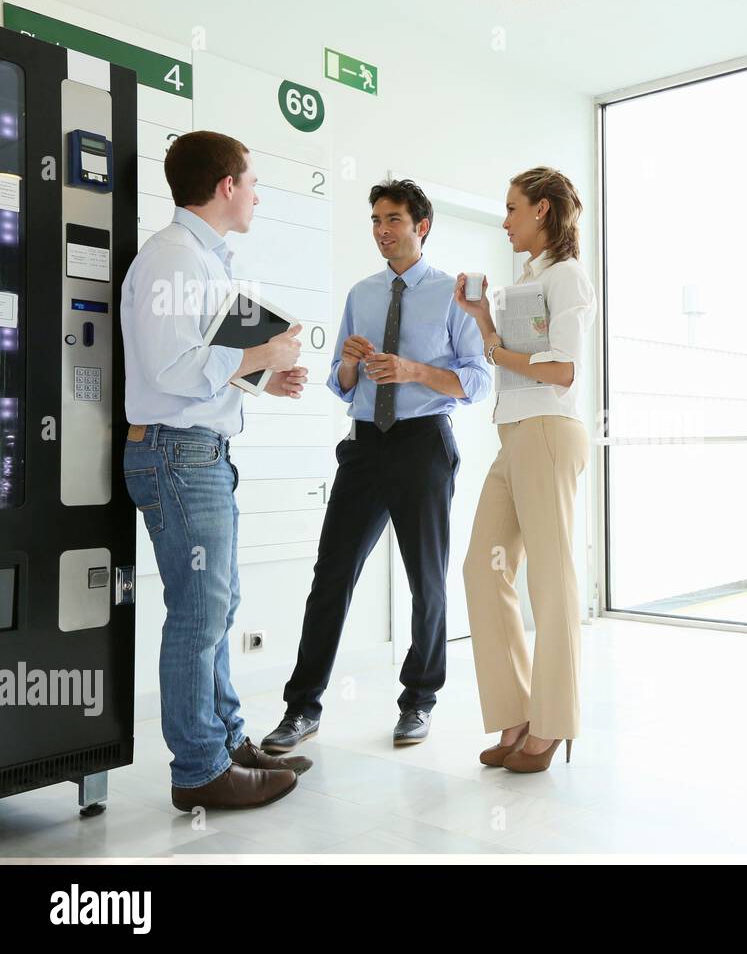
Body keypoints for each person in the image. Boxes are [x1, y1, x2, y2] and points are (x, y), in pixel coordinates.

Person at [262, 179, 491, 751]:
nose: (382, 231)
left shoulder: (452, 295)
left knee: (426, 581)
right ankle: (301, 709)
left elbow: (478, 380)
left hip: (423, 444)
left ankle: (419, 701)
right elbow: (341, 384)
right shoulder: (362, 293)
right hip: (364, 446)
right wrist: (347, 364)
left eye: (393, 220)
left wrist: (413, 371)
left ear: (421, 226)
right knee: (331, 577)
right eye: (375, 220)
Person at [121, 130, 312, 811]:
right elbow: (169, 370)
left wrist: (261, 374)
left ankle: (227, 744)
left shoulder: (200, 259)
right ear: (227, 186)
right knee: (198, 614)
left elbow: (199, 362)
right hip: (177, 453)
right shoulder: (174, 259)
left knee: (216, 607)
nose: (257, 194)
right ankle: (200, 770)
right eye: (252, 182)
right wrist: (258, 356)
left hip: (195, 452)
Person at [457, 167, 594, 773]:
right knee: (483, 568)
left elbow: (561, 370)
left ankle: (553, 722)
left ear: (542, 210)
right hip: (513, 434)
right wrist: (482, 318)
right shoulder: (528, 279)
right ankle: (515, 713)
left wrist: (497, 348)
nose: (505, 220)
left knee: (551, 579)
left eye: (513, 208)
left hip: (547, 433)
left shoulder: (567, 277)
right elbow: (510, 359)